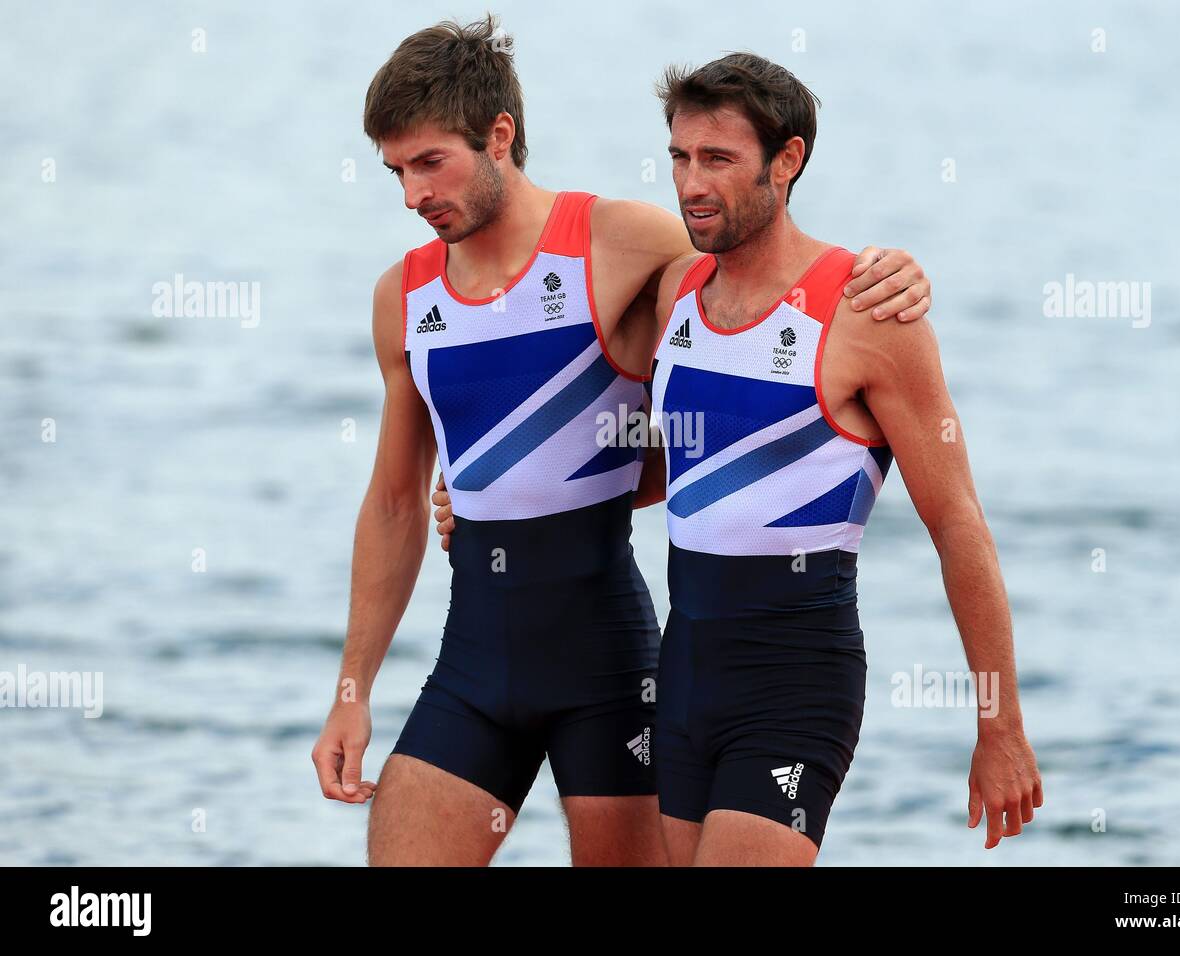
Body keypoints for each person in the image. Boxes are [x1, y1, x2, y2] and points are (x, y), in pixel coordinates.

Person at [311, 16, 934, 867]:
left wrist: (887, 274)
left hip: (611, 676)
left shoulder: (621, 241)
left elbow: (758, 281)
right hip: (472, 667)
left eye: (430, 163)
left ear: (500, 136)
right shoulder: (403, 297)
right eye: (397, 171)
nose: (412, 195)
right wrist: (352, 691)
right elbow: (392, 503)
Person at [640, 53, 1043, 864]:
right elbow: (675, 469)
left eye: (718, 159)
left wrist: (1000, 727)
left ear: (786, 160)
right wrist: (488, 501)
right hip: (681, 676)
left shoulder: (867, 312)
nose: (691, 184)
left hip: (794, 687)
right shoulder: (676, 290)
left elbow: (958, 524)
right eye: (680, 157)